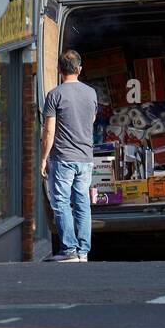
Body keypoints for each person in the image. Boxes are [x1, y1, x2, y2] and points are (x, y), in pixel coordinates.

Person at [41, 49, 98, 261]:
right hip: (85, 158)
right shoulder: (91, 93)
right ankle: (83, 251)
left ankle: (69, 250)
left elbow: (49, 130)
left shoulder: (54, 95)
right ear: (79, 69)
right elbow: (90, 120)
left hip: (63, 158)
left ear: (59, 70)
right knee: (82, 203)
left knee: (61, 202)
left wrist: (43, 158)